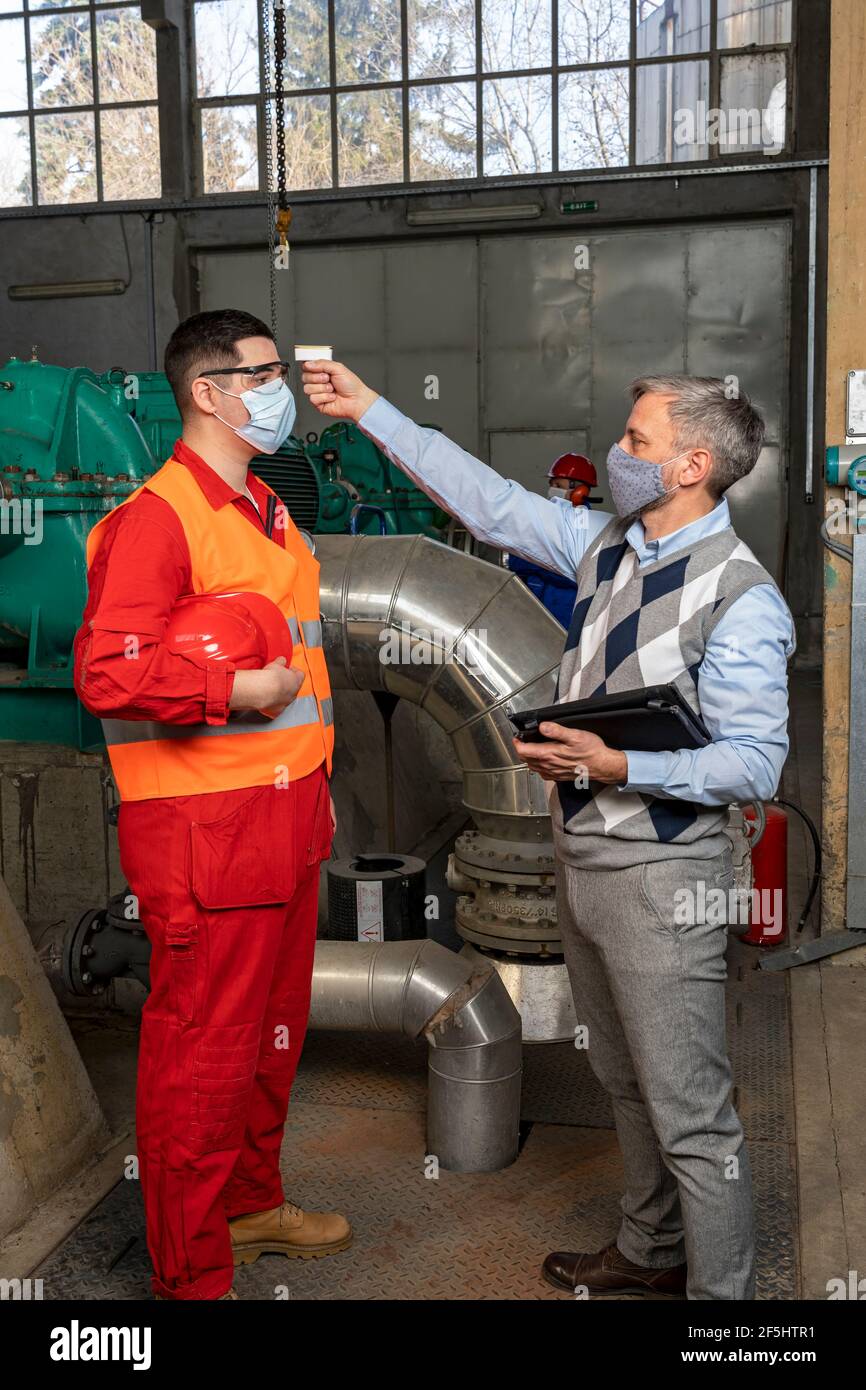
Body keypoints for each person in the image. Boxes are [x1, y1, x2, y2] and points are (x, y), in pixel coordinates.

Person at [301, 360, 794, 1302]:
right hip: (586, 862)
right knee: (621, 1077)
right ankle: (650, 1251)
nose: (621, 452)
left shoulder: (741, 597)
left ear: (692, 464)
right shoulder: (607, 546)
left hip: (664, 874)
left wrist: (622, 768)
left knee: (693, 1114)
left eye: (639, 441)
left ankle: (724, 1308)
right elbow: (487, 503)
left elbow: (754, 764)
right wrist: (371, 410)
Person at [74, 309, 351, 1301]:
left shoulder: (261, 507)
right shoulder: (157, 517)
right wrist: (237, 691)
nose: (283, 389)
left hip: (281, 824)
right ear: (209, 391)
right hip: (205, 835)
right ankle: (192, 1273)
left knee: (272, 1036)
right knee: (204, 1052)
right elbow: (109, 670)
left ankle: (249, 1202)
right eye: (266, 373)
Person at [507, 453, 601, 627]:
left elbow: (578, 571)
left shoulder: (589, 525)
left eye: (558, 485)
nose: (552, 490)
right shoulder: (547, 516)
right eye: (551, 484)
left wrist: (536, 562)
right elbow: (516, 558)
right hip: (534, 608)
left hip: (566, 612)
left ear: (580, 490)